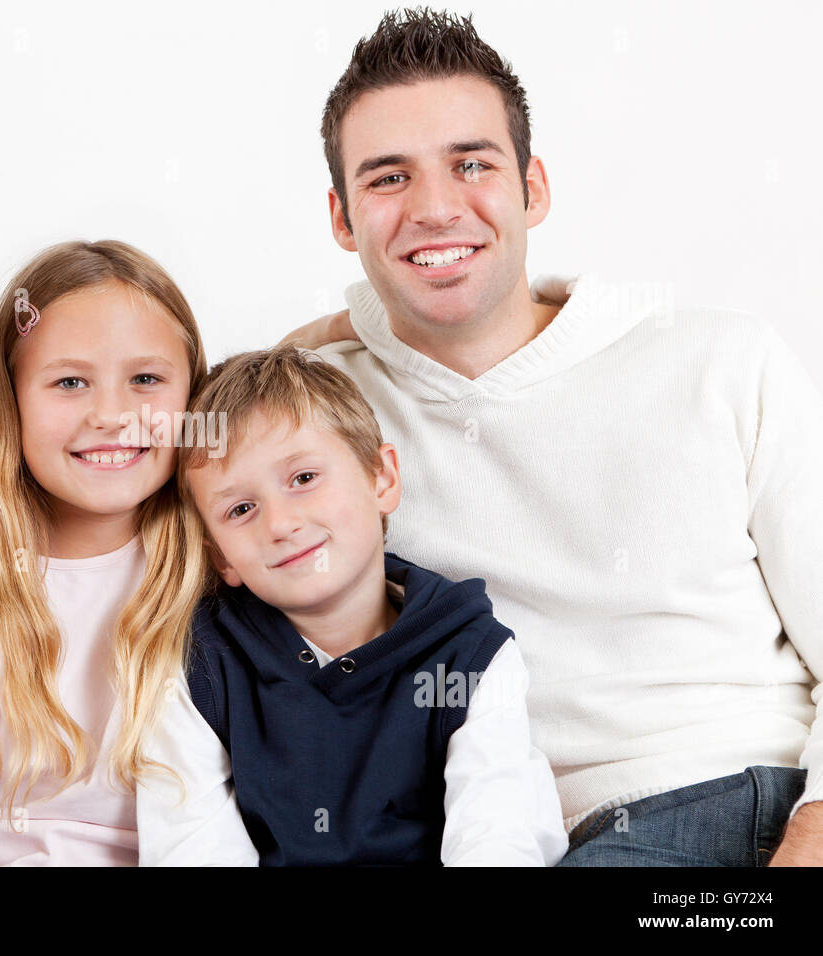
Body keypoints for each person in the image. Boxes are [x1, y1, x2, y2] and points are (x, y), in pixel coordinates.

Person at [303, 8, 823, 865]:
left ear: (533, 188)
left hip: (740, 801)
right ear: (342, 218)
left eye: (471, 164)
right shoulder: (326, 417)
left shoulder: (719, 360)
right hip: (508, 835)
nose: (435, 208)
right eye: (388, 179)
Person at [136, 347, 566, 866]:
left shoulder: (469, 652)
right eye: (241, 508)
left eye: (303, 479)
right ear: (220, 557)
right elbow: (192, 847)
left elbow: (499, 835)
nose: (280, 524)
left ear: (381, 479)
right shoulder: (201, 665)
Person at [0, 240, 210, 865]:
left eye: (147, 380)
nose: (110, 414)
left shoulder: (216, 566)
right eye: (70, 382)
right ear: (11, 400)